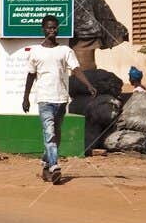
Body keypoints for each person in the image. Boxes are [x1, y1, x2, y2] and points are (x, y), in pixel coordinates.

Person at [23, 13, 95, 185]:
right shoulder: (35, 52)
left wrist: (88, 85)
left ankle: (46, 164)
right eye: (49, 28)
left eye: (55, 28)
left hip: (61, 99)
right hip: (44, 99)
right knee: (49, 134)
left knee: (56, 134)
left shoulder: (65, 51)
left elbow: (76, 69)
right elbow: (31, 76)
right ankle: (55, 166)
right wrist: (25, 98)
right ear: (43, 29)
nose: (52, 30)